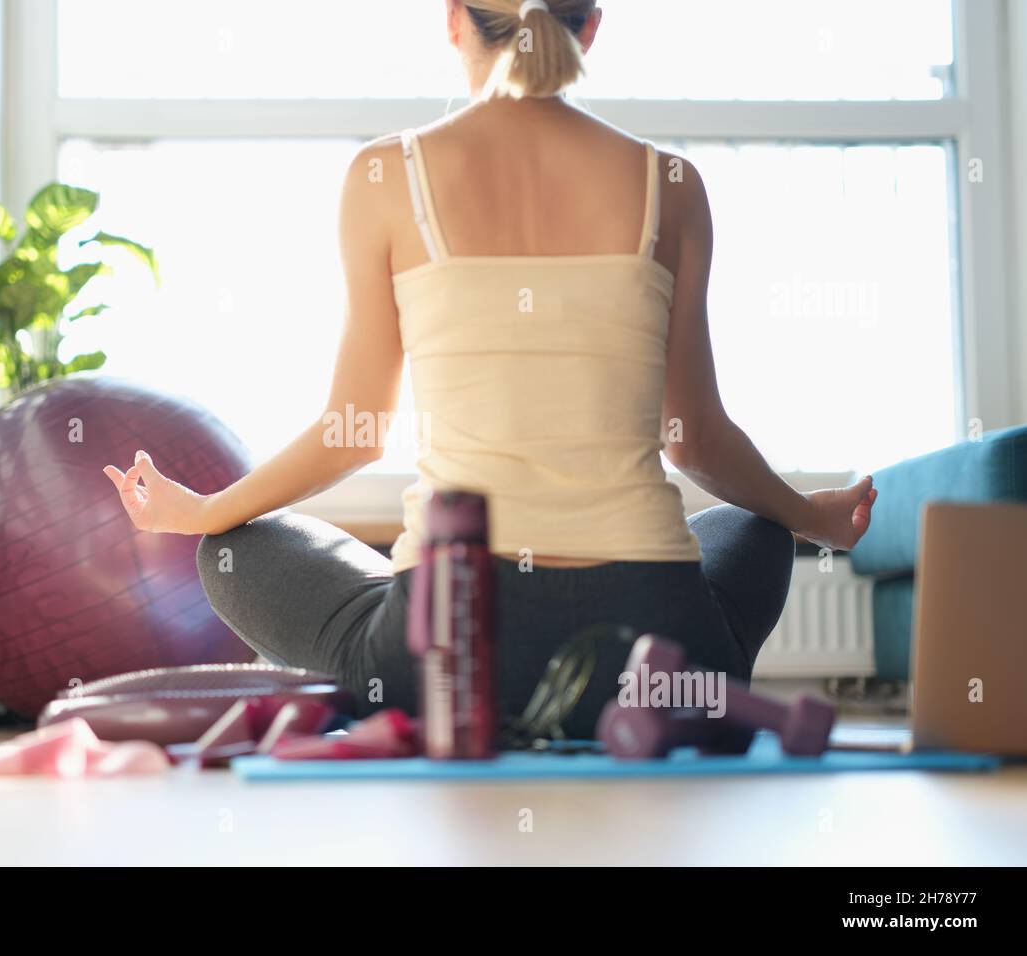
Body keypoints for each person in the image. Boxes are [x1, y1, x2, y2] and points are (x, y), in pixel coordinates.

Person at [104, 0, 876, 726]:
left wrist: (202, 511)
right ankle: (686, 689)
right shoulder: (672, 186)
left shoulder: (383, 178)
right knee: (759, 527)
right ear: (592, 28)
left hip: (448, 658)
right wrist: (810, 518)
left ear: (453, 21)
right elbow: (695, 438)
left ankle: (408, 689)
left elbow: (356, 432)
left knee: (235, 550)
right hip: (653, 647)